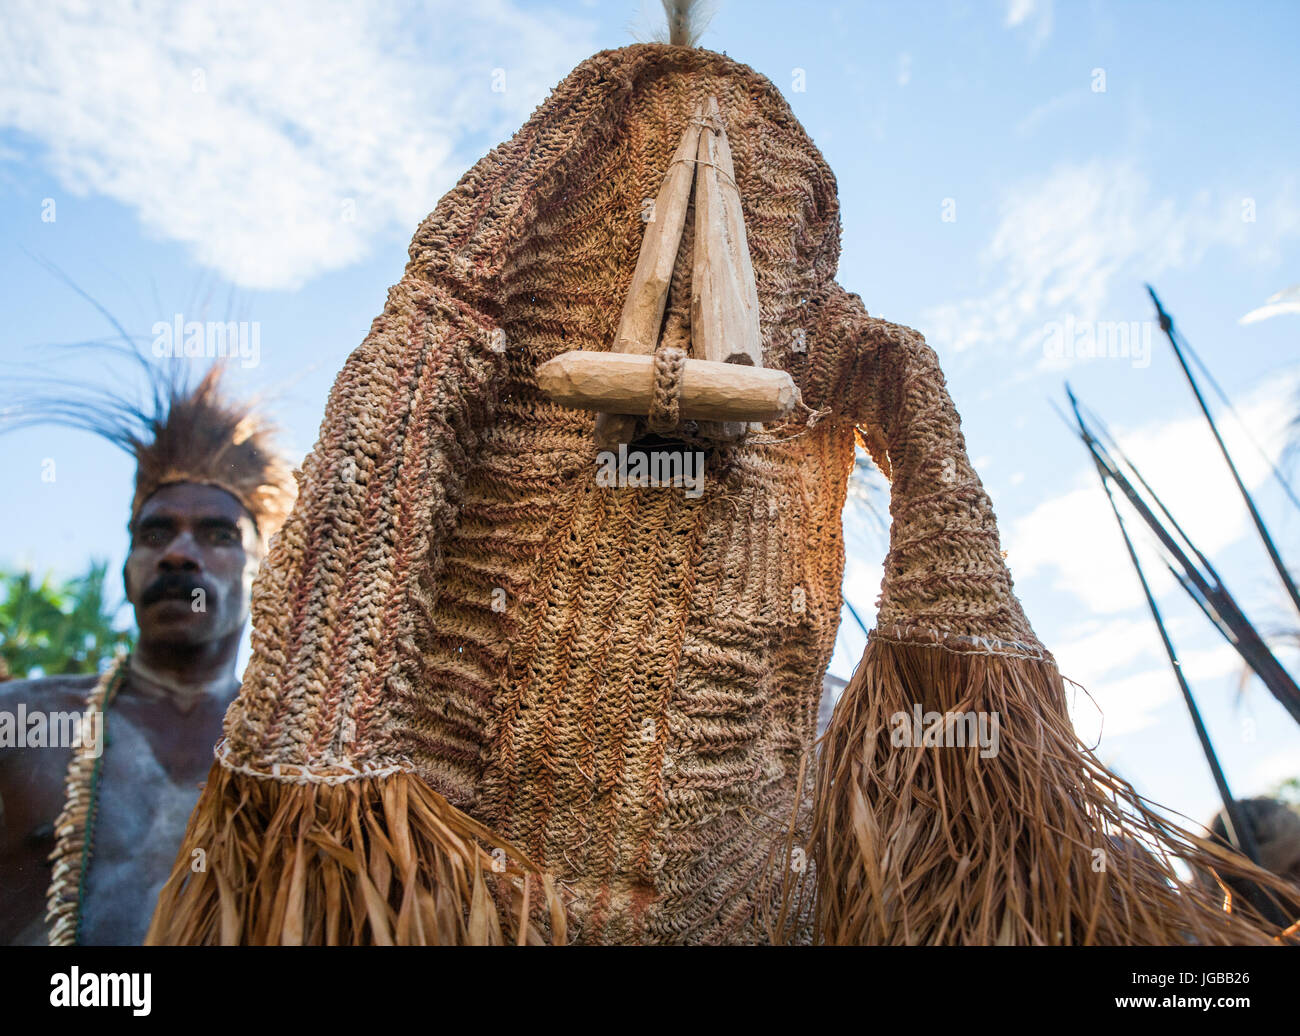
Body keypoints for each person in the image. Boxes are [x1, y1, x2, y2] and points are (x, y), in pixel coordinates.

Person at [0, 368, 294, 944]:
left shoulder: (299, 755)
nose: (179, 554)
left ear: (264, 576)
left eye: (218, 535)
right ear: (127, 570)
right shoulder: (19, 720)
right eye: (155, 534)